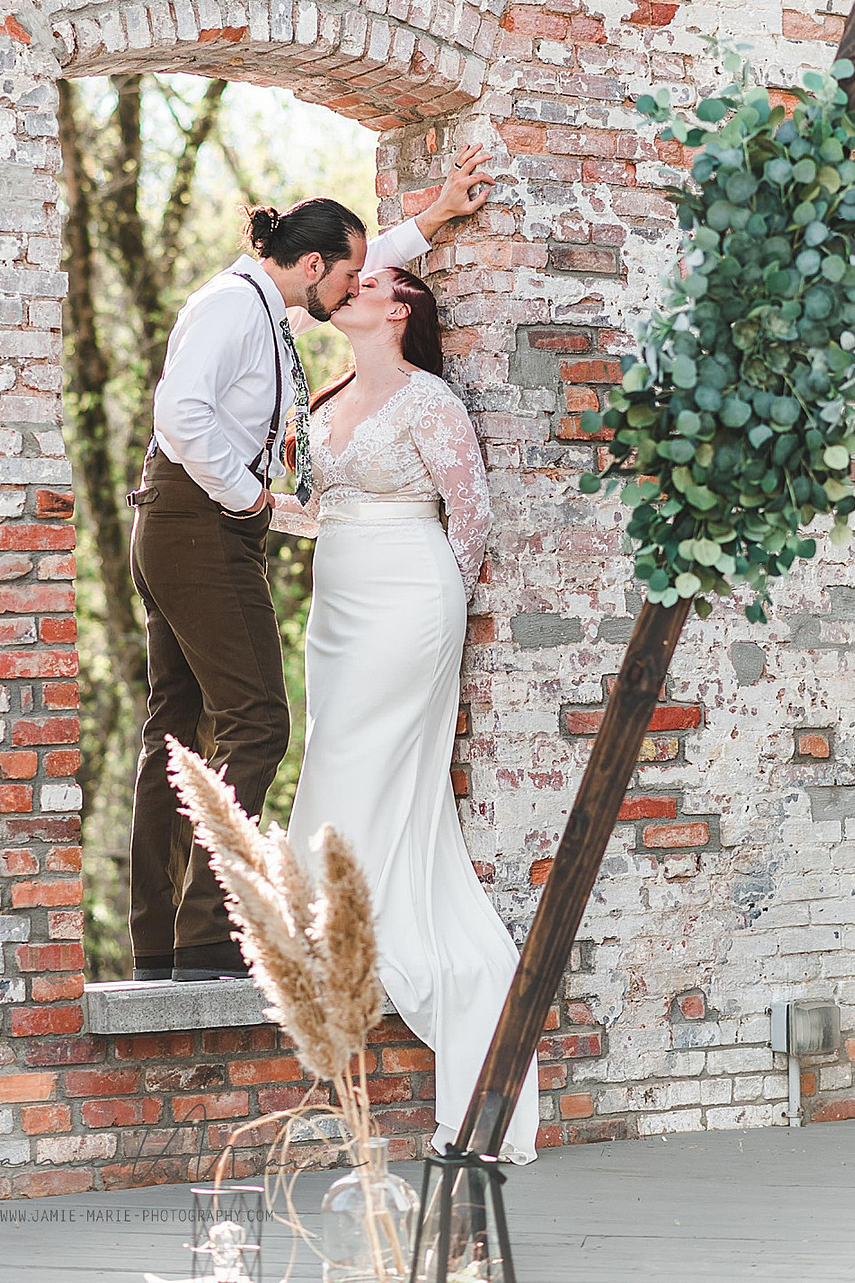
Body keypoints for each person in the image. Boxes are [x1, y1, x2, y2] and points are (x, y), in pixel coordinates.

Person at [128, 146, 494, 983]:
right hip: (201, 520)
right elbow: (179, 410)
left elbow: (371, 291)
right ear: (315, 265)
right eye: (350, 271)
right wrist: (246, 494)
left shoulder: (267, 301)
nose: (358, 285)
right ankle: (212, 937)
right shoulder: (231, 306)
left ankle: (160, 942)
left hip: (182, 521)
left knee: (175, 732)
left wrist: (429, 224)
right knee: (259, 722)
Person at [272, 265, 539, 1164]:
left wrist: (444, 616)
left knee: (362, 754)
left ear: (402, 310)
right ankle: (342, 916)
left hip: (410, 601)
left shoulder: (431, 403)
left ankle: (348, 923)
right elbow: (315, 511)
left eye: (372, 278)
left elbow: (471, 514)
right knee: (330, 748)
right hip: (337, 605)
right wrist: (241, 501)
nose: (350, 283)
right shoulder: (328, 395)